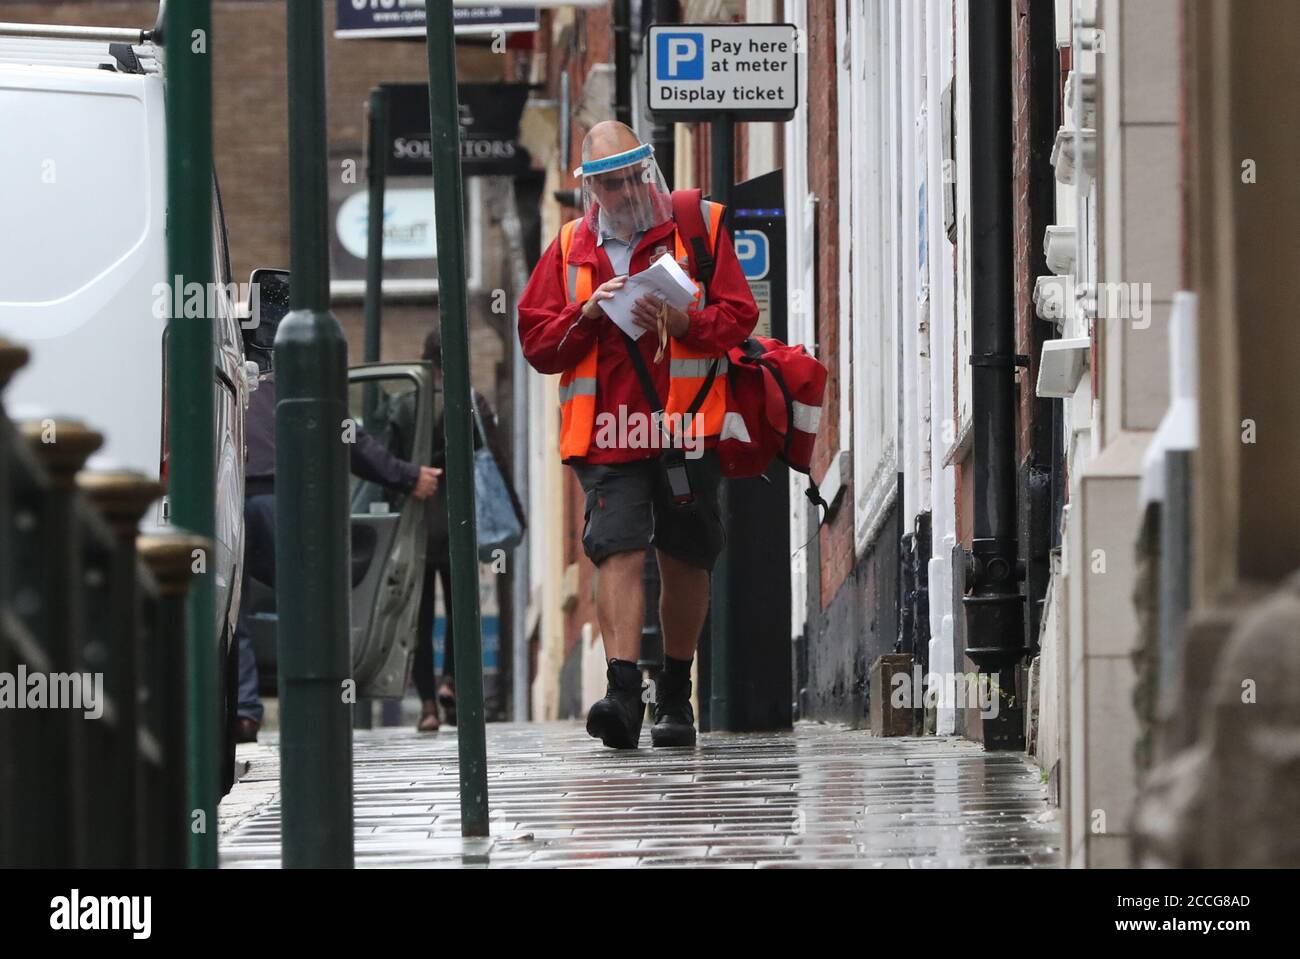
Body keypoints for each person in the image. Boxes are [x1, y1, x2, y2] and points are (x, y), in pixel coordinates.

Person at [516, 121, 758, 749]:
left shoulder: (696, 224)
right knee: (615, 546)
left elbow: (739, 315)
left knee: (685, 553)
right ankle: (623, 695)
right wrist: (588, 313)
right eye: (612, 183)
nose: (627, 192)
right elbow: (538, 343)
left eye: (634, 178)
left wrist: (684, 320)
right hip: (606, 433)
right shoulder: (569, 247)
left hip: (684, 422)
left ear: (647, 170)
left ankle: (676, 695)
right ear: (591, 187)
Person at [234, 367, 441, 743]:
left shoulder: (218, 366)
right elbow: (350, 440)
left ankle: (245, 711)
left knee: (234, 611)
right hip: (282, 497)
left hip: (226, 496)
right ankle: (315, 703)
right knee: (310, 603)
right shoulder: (296, 369)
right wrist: (407, 476)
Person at [411, 328, 513, 732]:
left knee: (417, 620)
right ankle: (451, 681)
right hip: (460, 522)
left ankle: (426, 707)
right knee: (460, 611)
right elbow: (494, 457)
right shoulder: (472, 403)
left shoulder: (408, 400)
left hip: (416, 526)